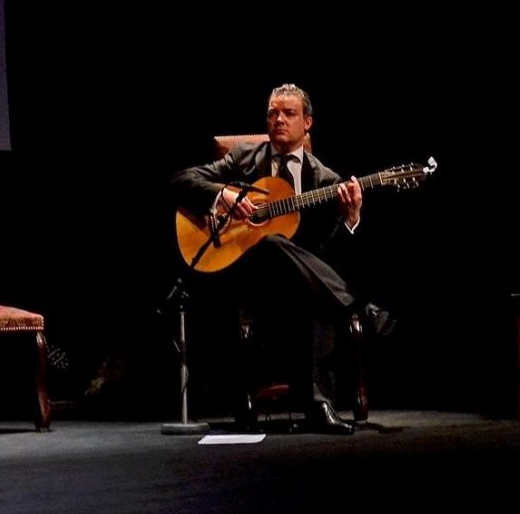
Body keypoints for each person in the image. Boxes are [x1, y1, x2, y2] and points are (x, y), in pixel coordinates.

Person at [168, 83, 392, 435]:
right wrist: (222, 193)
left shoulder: (325, 180)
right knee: (270, 242)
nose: (278, 119)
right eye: (272, 112)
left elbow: (327, 257)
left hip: (297, 284)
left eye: (288, 113)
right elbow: (182, 179)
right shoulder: (244, 159)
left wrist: (351, 220)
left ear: (308, 123)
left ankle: (319, 405)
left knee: (307, 283)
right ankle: (360, 309)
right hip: (243, 273)